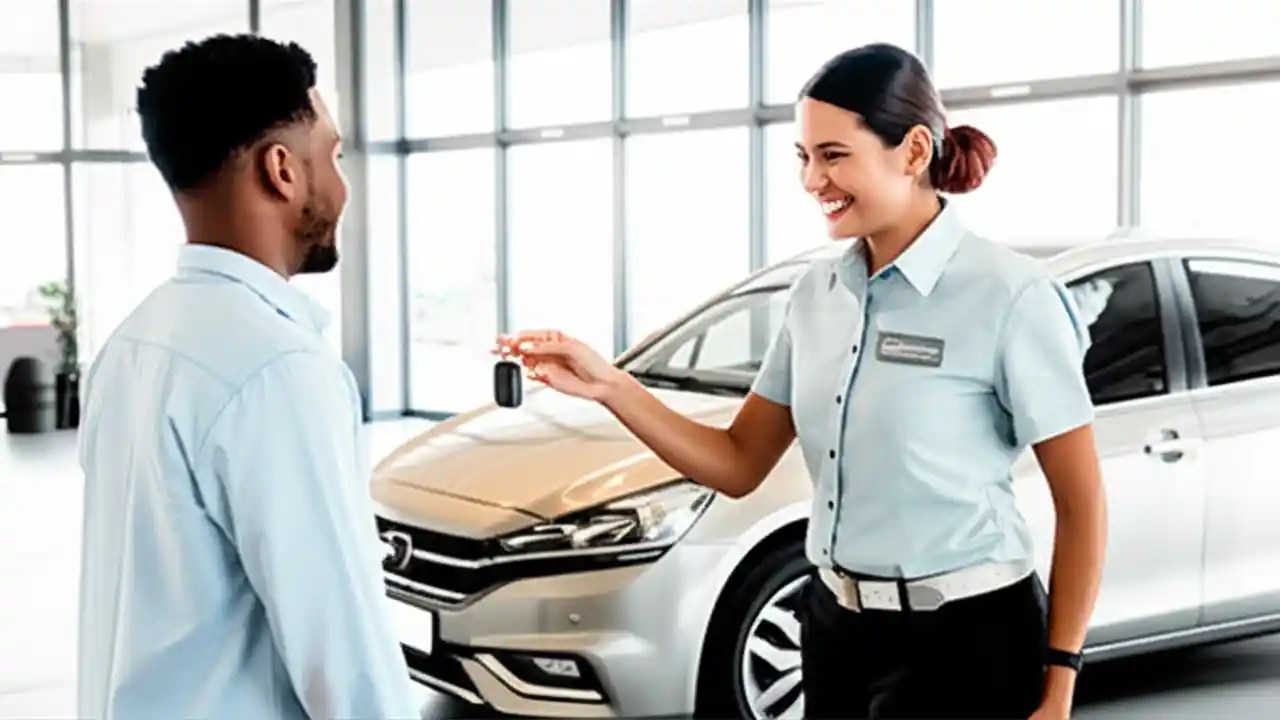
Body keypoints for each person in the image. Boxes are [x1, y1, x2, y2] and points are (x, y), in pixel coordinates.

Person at [498, 43, 1107, 720]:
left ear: (911, 152)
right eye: (803, 156)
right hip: (834, 629)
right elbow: (737, 463)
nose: (812, 179)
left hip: (971, 639)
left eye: (833, 154)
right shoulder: (817, 294)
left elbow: (1082, 506)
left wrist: (1060, 683)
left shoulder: (1011, 295)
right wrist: (611, 386)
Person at [76, 35, 417, 719]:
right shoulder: (276, 367)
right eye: (335, 155)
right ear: (282, 169)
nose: (343, 185)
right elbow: (346, 660)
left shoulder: (134, 343)